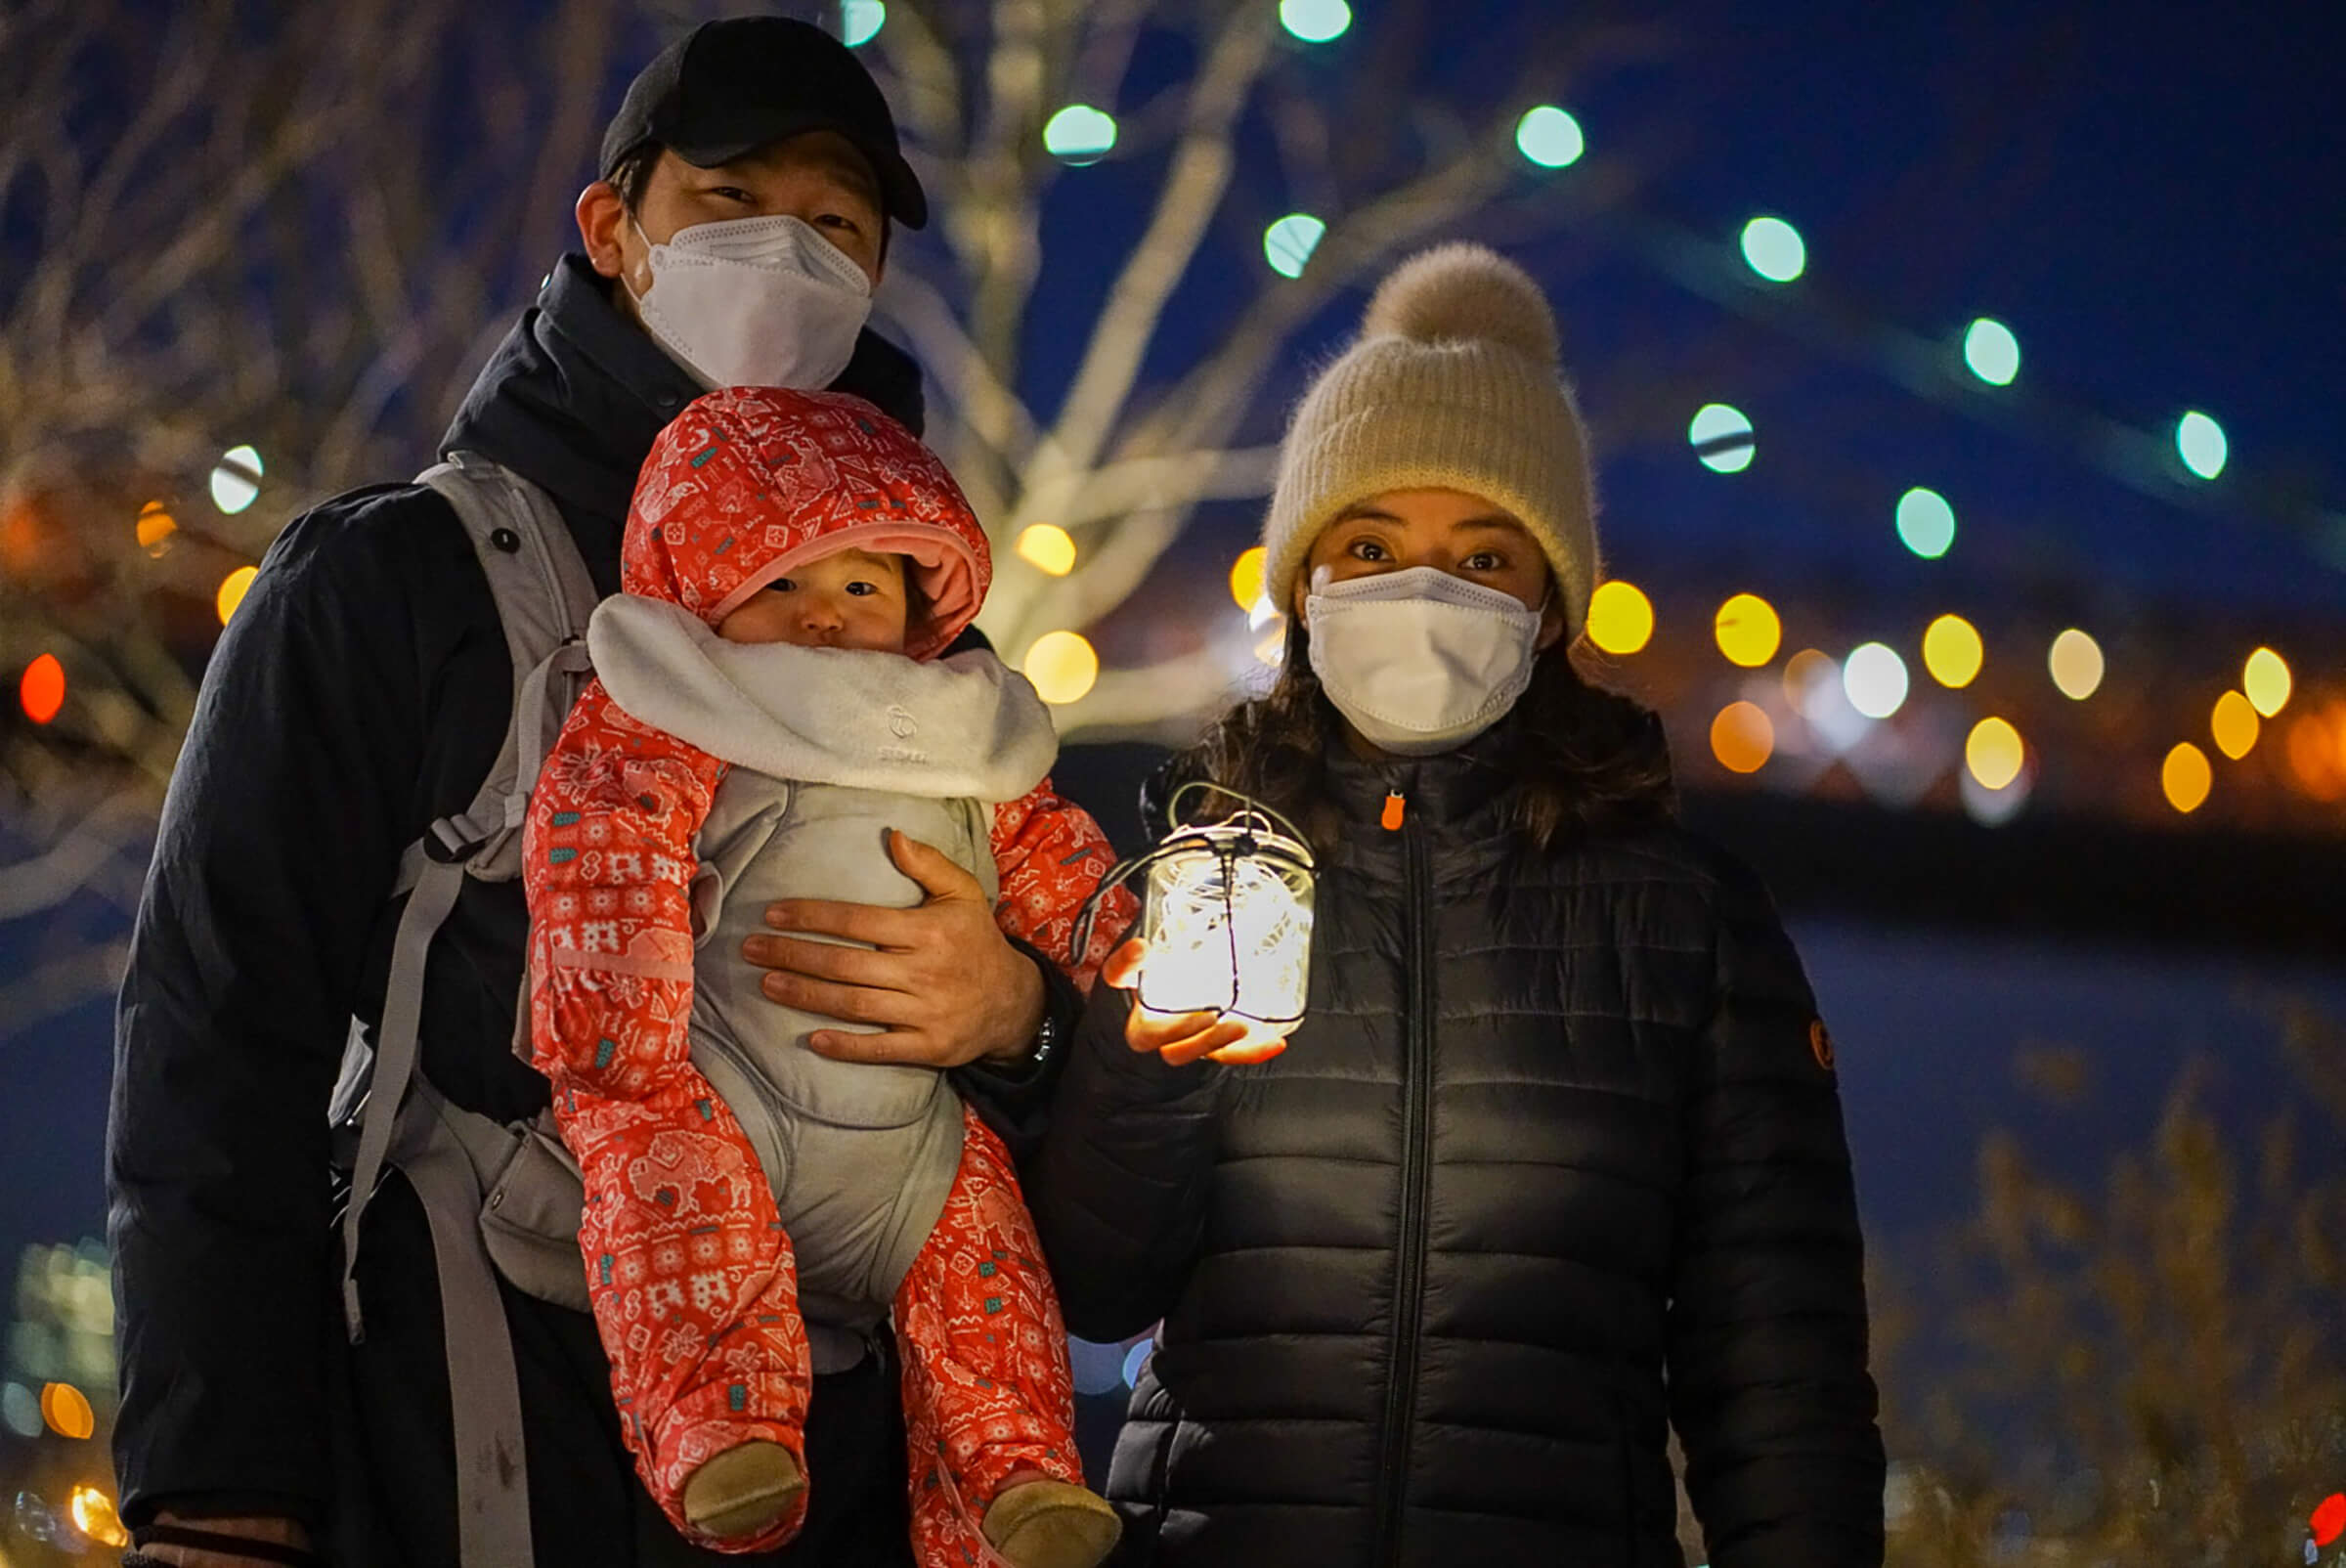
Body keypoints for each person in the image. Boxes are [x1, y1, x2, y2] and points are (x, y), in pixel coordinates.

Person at [109, 19, 1091, 1567]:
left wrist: (1018, 1015)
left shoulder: (918, 629)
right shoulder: (398, 579)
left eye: (834, 223)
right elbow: (218, 1027)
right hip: (482, 1421)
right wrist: (223, 1482)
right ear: (613, 230)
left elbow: (1054, 983)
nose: (785, 252)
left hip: (842, 1453)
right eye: (728, 200)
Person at [1024, 243, 1888, 1566]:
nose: (1420, 591)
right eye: (1369, 545)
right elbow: (1098, 1283)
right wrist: (1146, 1071)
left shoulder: (1682, 922)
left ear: (1549, 609)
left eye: (1484, 557)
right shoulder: (1201, 880)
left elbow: (1778, 1369)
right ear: (1303, 591)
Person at [525, 384, 1126, 1566]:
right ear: (701, 589)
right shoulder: (672, 707)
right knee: (671, 1207)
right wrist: (618, 1021)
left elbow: (1055, 857)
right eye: (780, 584)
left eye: (861, 585)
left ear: (917, 600)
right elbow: (602, 842)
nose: (824, 618)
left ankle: (1017, 1483)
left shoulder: (962, 726)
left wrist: (1113, 960)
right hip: (712, 1088)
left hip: (912, 1137)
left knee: (983, 1263)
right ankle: (722, 1432)